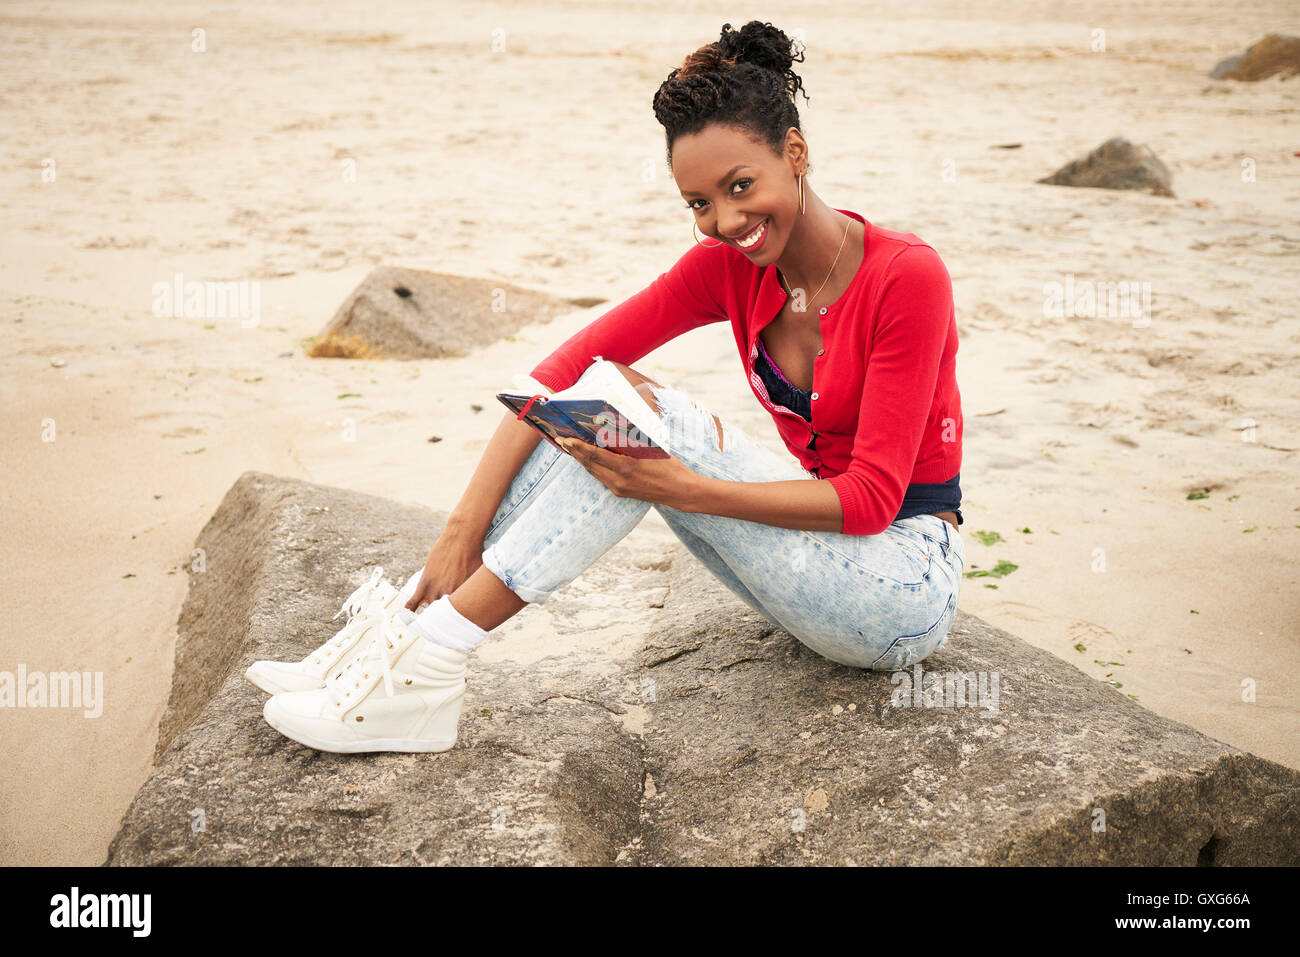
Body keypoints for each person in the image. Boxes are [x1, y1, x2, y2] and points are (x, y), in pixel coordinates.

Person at [252, 20, 966, 754]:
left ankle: (431, 655)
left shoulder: (905, 276)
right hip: (819, 567)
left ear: (795, 152)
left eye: (740, 186)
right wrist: (460, 529)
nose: (725, 222)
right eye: (698, 203)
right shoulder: (731, 268)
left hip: (901, 588)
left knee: (646, 425)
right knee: (603, 397)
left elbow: (873, 498)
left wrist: (674, 485)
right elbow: (560, 374)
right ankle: (401, 630)